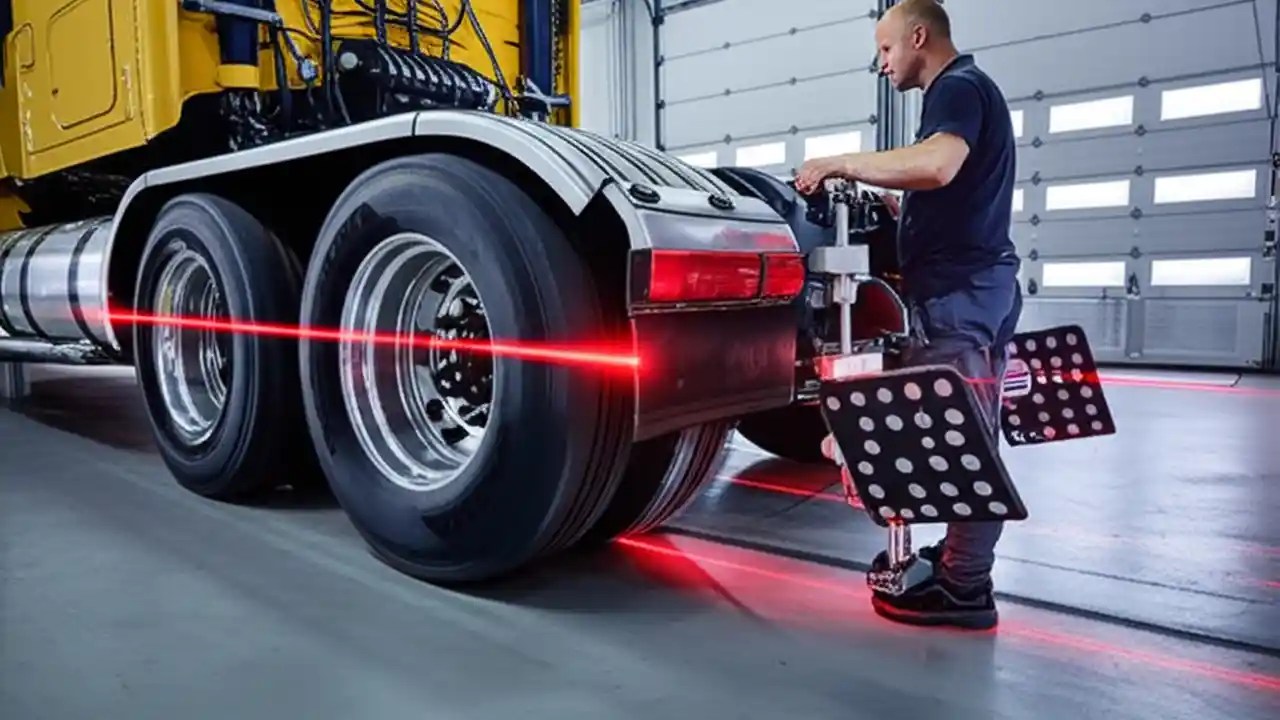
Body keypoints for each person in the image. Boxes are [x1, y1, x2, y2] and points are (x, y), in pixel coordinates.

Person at [796, 0, 1021, 630]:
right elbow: (950, 184)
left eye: (888, 50)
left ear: (919, 37)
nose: (882, 63)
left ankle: (964, 588)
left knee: (961, 448)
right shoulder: (967, 92)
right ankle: (959, 566)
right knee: (967, 439)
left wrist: (840, 162)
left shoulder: (957, 88)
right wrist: (904, 217)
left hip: (961, 296)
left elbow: (938, 165)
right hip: (976, 288)